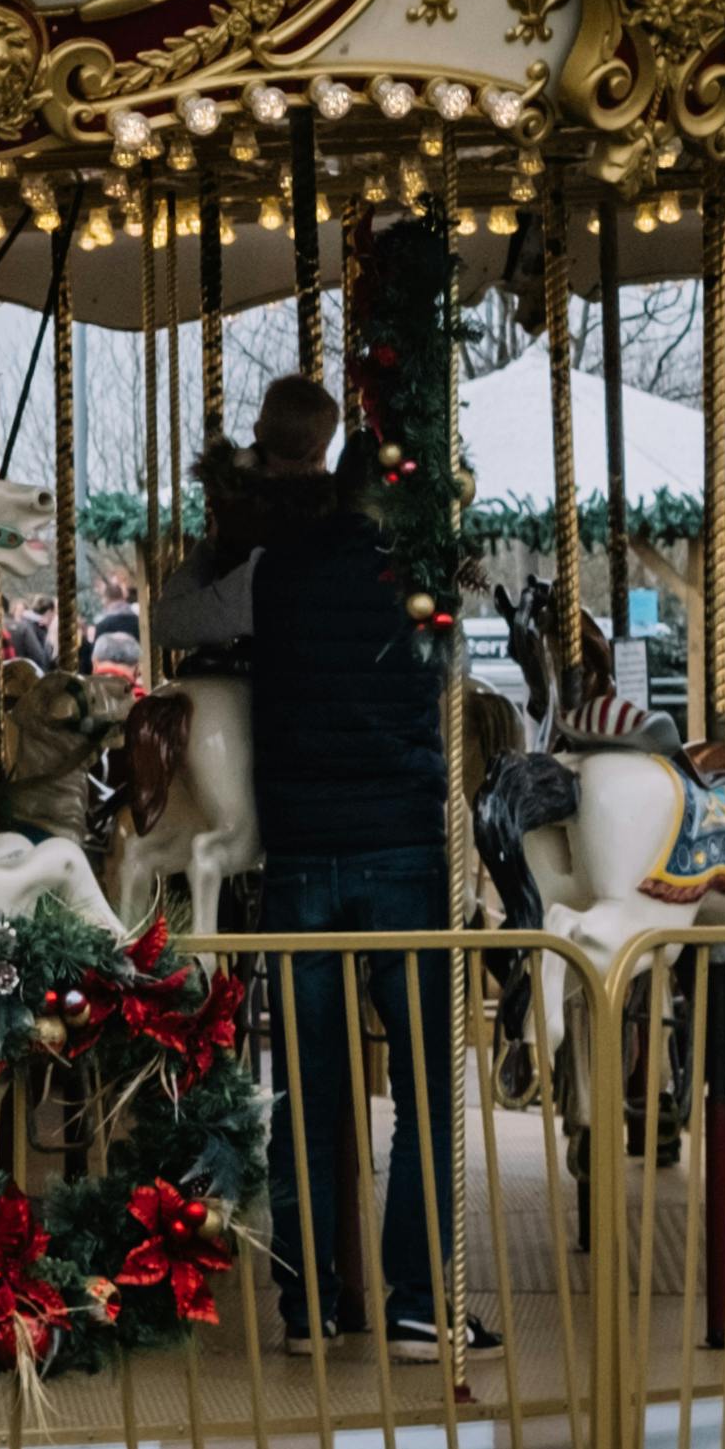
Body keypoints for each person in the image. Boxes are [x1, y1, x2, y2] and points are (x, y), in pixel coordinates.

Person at [157, 372, 490, 1353]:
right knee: (425, 1083)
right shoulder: (418, 582)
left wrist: (216, 546)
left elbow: (175, 622)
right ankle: (419, 1295)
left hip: (303, 852)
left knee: (308, 1087)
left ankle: (308, 1300)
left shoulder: (274, 570)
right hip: (402, 847)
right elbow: (453, 684)